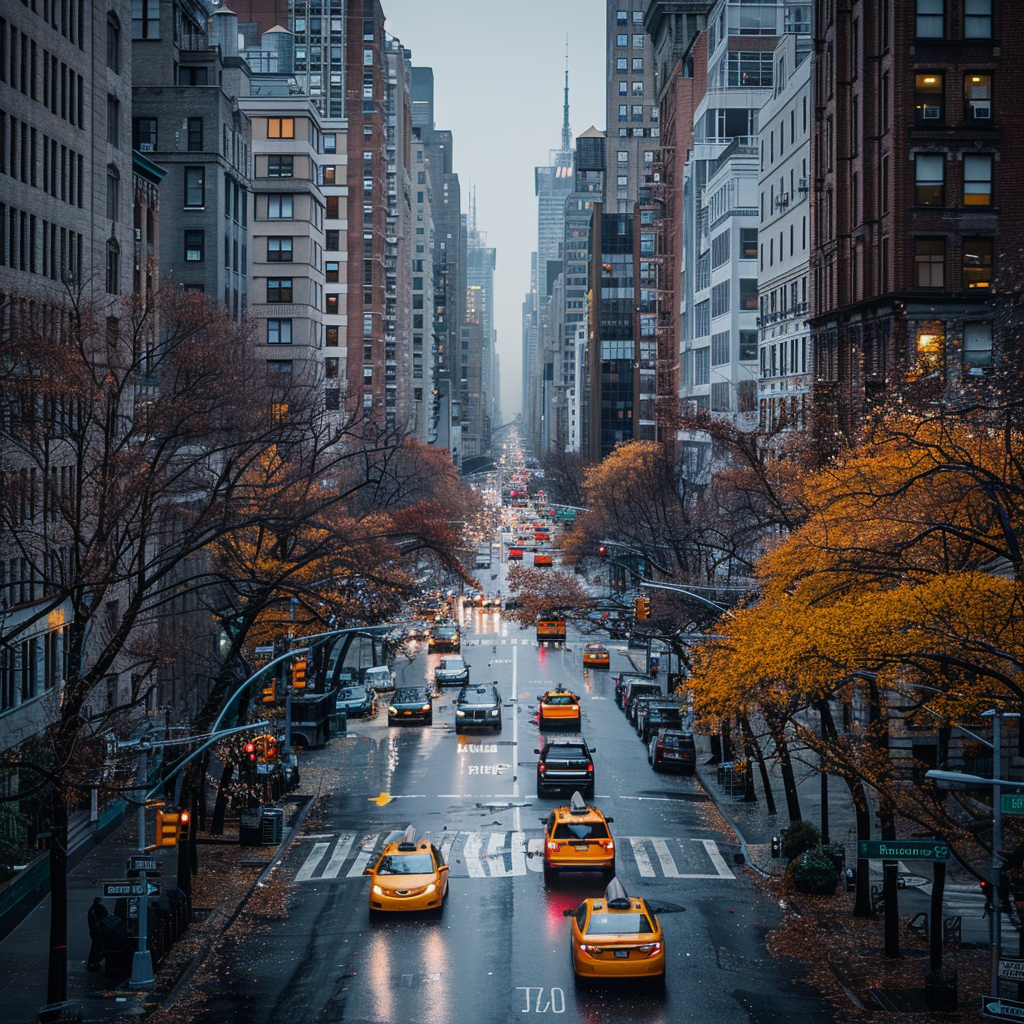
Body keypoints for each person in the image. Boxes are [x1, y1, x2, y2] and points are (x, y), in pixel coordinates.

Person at [86, 896, 108, 971]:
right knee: (98, 947)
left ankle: (93, 962)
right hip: (98, 932)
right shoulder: (98, 909)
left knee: (96, 947)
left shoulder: (92, 909)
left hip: (94, 931)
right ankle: (94, 962)